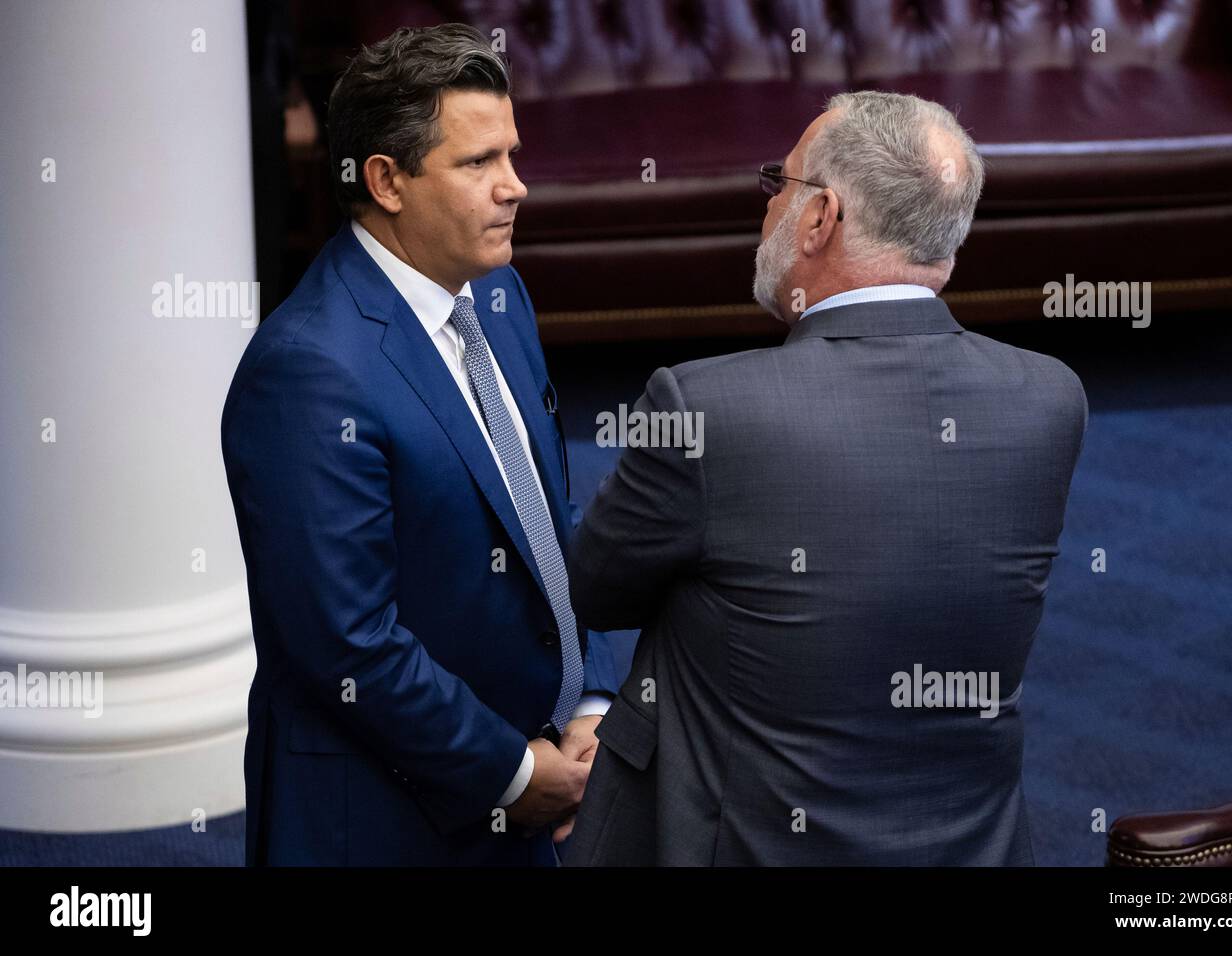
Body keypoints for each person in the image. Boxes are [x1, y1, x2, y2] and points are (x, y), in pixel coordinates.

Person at [563, 91, 1089, 866]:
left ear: (820, 218)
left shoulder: (702, 407)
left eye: (781, 182)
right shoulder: (1050, 397)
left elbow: (598, 594)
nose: (770, 203)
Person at [221, 24, 621, 866]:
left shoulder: (499, 295)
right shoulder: (307, 372)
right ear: (385, 182)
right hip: (387, 819)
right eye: (479, 163)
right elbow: (348, 643)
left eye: (512, 155)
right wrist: (518, 772)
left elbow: (551, 516)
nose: (516, 187)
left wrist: (591, 696)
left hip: (533, 790)